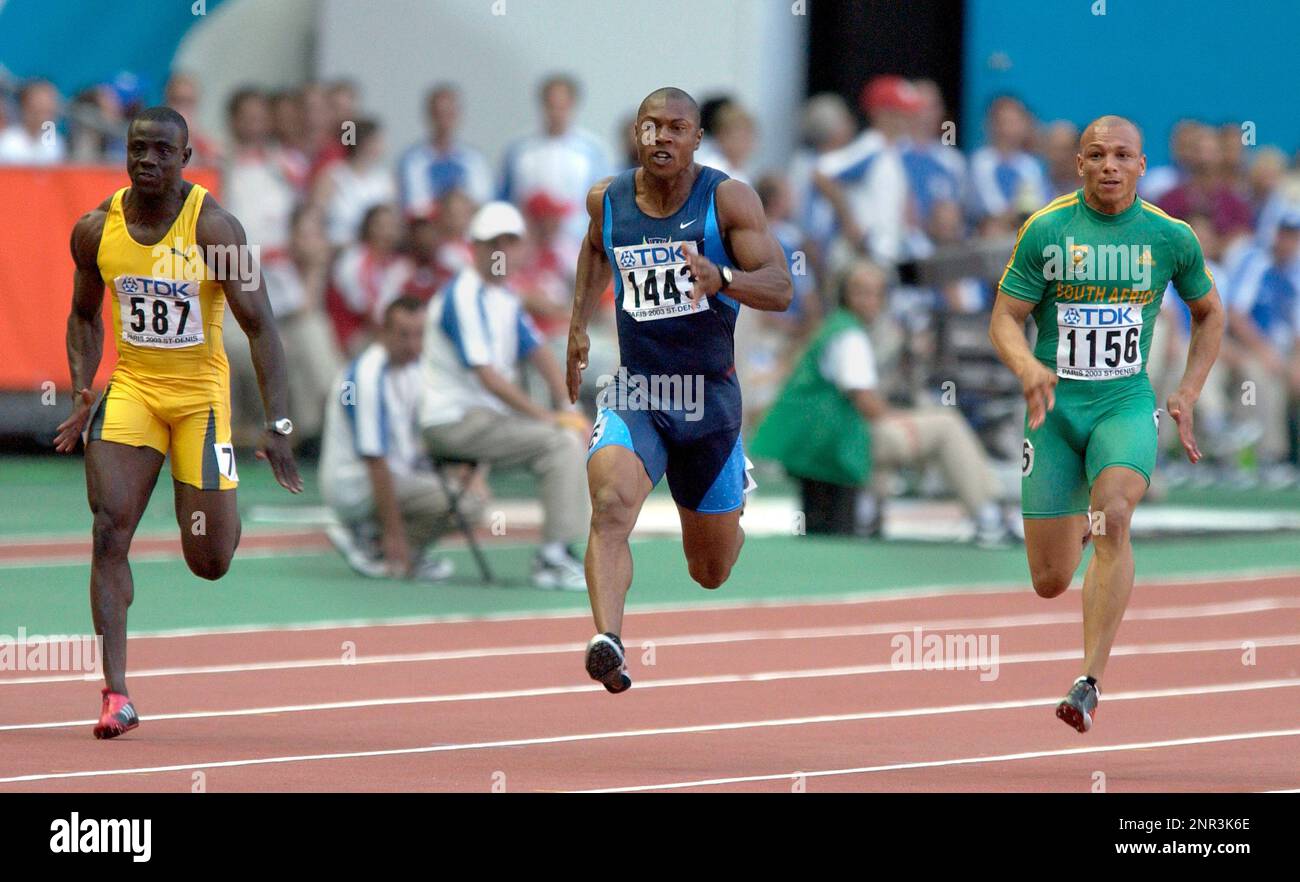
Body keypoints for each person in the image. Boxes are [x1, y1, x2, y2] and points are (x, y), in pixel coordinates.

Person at [53, 106, 302, 739]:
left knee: (210, 560)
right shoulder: (95, 229)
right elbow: (85, 315)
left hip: (201, 401)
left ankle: (217, 501)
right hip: (134, 388)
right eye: (139, 149)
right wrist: (85, 386)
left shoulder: (216, 228)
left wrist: (279, 422)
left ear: (185, 158)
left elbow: (261, 326)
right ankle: (116, 694)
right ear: (126, 153)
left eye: (164, 151)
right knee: (109, 530)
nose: (149, 161)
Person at [989, 115, 1224, 733]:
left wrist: (1188, 391)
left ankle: (1088, 680)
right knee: (1048, 579)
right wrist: (1026, 368)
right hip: (1054, 412)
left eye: (1123, 155)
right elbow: (1005, 319)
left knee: (1114, 514)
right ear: (1080, 165)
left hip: (1124, 406)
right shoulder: (1047, 229)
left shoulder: (1170, 237)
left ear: (1142, 166)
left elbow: (1209, 312)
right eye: (1097, 155)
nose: (1110, 165)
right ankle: (1081, 530)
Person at [567, 87, 792, 693]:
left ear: (696, 139)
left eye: (675, 128)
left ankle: (730, 493)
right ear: (635, 134)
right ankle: (608, 638)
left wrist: (724, 277)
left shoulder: (728, 199)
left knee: (710, 570)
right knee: (611, 503)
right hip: (637, 390)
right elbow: (594, 249)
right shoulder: (607, 200)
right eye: (650, 127)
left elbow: (780, 288)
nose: (661, 137)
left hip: (709, 401)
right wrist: (577, 330)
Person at [753, 259, 1010, 543]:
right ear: (844, 295)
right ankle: (989, 515)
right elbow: (866, 403)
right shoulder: (848, 335)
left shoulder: (837, 327)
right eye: (860, 292)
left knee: (925, 417)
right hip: (837, 441)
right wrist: (901, 420)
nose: (870, 300)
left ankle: (868, 512)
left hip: (824, 438)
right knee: (947, 425)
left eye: (876, 293)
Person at [420, 201, 591, 589]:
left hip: (480, 418)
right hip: (454, 419)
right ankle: (552, 557)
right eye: (493, 243)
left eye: (510, 243)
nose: (502, 252)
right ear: (475, 248)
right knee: (559, 443)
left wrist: (570, 405)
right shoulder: (463, 295)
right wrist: (547, 417)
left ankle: (559, 550)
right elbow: (487, 378)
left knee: (568, 433)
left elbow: (540, 353)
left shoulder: (505, 297)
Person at [321, 296, 481, 581]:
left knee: (469, 485)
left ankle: (382, 540)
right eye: (403, 335)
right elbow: (375, 461)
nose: (412, 344)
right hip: (356, 484)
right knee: (467, 506)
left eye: (420, 335)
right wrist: (395, 535)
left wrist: (465, 470)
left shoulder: (416, 369)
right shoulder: (366, 377)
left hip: (395, 472)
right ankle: (381, 544)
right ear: (383, 332)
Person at [397, 84, 493, 218]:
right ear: (429, 115)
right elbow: (415, 208)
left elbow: (483, 203)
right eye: (439, 113)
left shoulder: (474, 160)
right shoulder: (413, 161)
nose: (443, 120)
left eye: (449, 113)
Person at [0, 79, 65, 165]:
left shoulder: (56, 142)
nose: (47, 108)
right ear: (25, 106)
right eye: (40, 104)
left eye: (49, 105)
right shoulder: (7, 142)